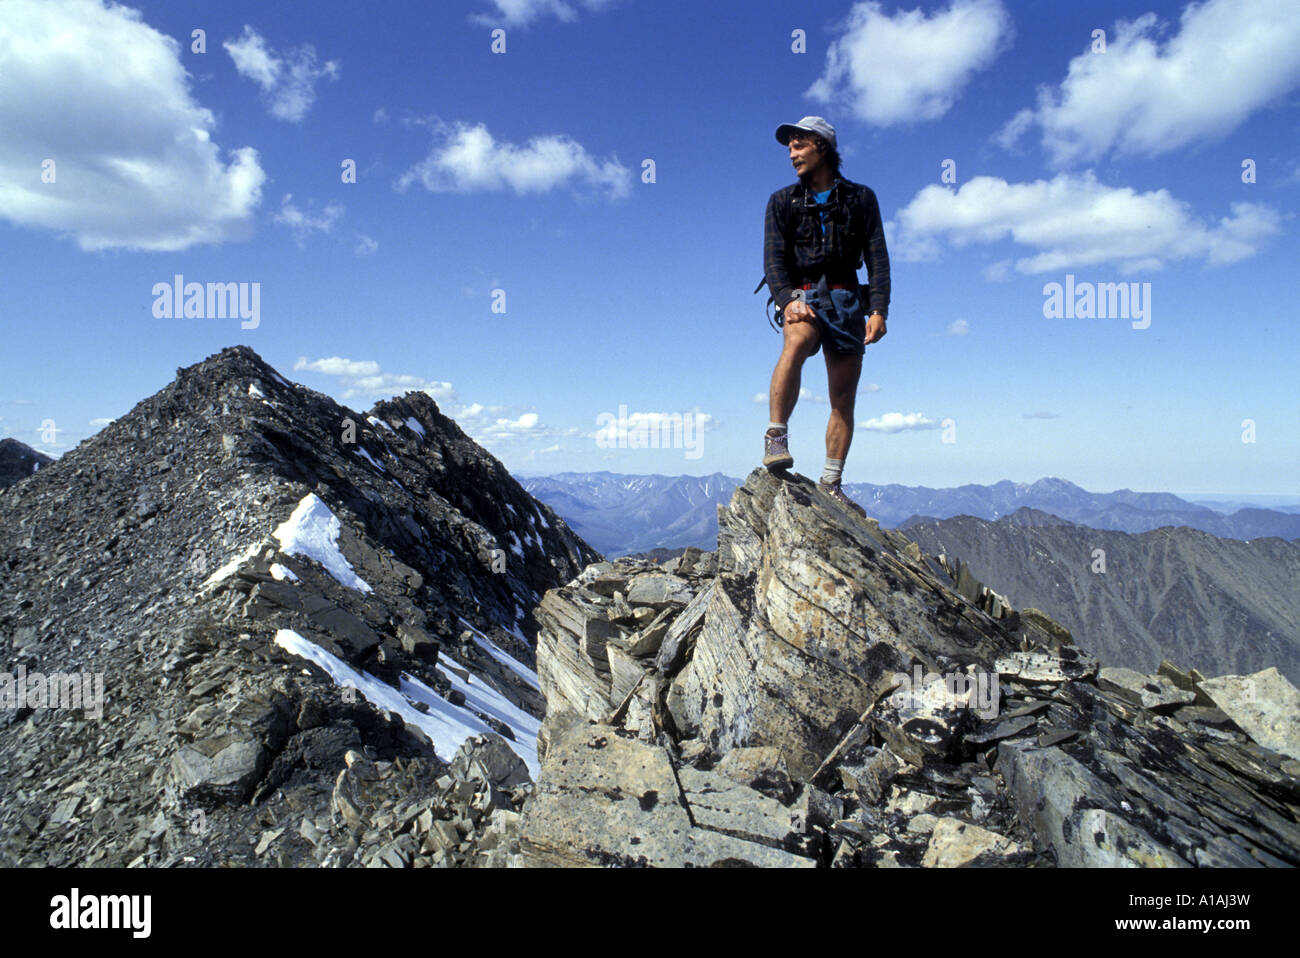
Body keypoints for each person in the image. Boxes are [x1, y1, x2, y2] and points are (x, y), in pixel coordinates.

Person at [761, 116, 890, 518]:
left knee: (844, 396)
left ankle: (831, 483)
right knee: (796, 341)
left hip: (848, 297)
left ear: (822, 146)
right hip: (803, 292)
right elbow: (773, 259)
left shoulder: (861, 198)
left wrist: (879, 309)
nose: (792, 154)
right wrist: (786, 300)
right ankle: (776, 437)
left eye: (799, 145)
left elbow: (877, 257)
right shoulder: (782, 201)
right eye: (789, 148)